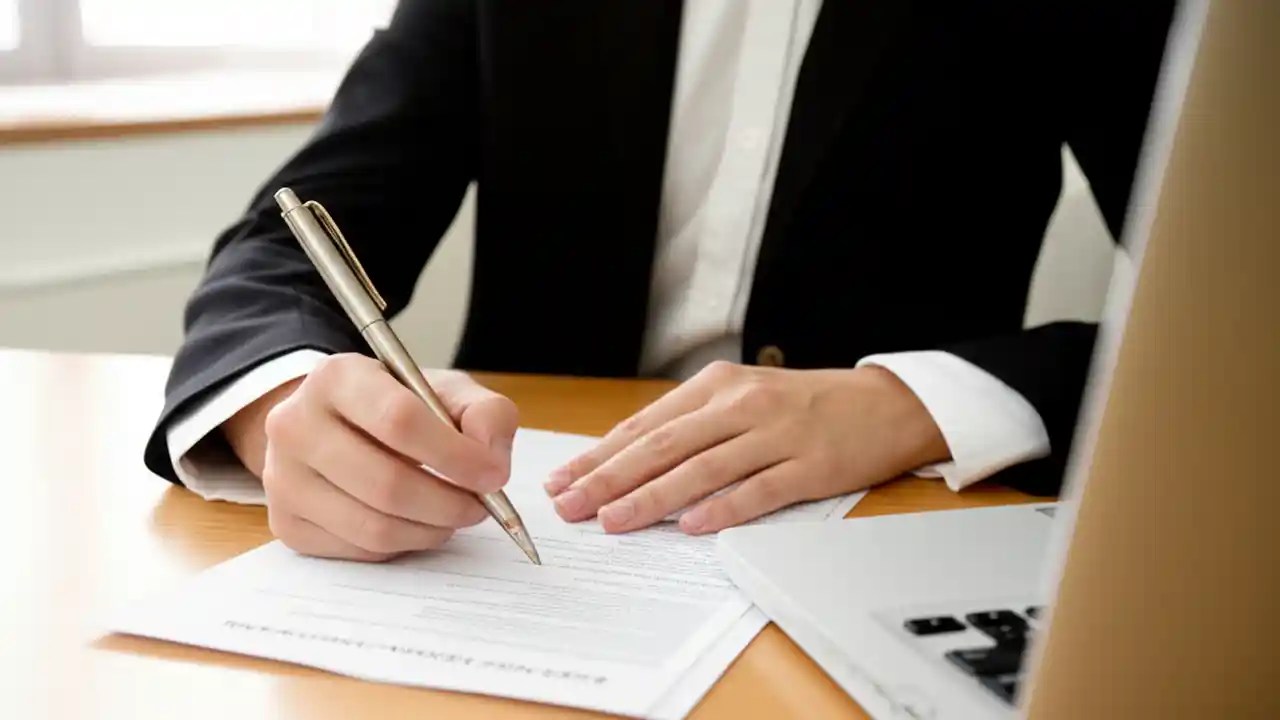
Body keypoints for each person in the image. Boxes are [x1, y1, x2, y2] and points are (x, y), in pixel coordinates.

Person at [145, 1, 1174, 562]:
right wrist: (282, 400)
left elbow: (1234, 316)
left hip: (902, 527)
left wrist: (915, 401)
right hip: (544, 544)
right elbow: (282, 248)